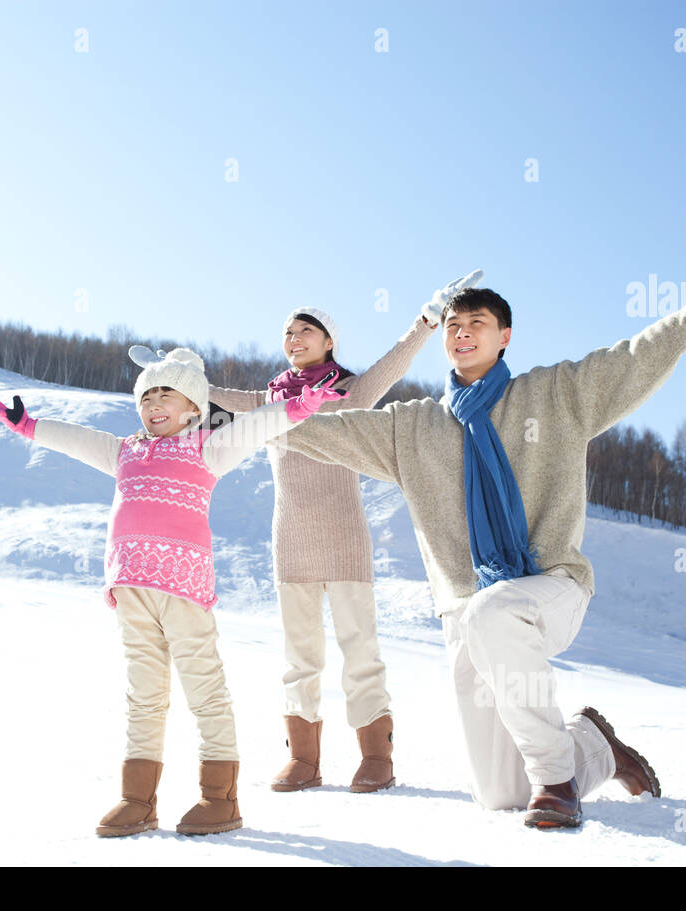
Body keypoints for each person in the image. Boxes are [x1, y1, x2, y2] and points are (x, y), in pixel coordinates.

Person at [272, 228, 686, 827]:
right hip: (463, 610)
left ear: (504, 337)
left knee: (496, 613)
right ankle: (595, 747)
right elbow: (317, 430)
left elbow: (642, 354)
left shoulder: (556, 394)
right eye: (452, 324)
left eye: (476, 321)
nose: (461, 332)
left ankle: (556, 783)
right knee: (500, 792)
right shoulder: (411, 427)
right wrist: (214, 418)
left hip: (549, 588)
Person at [0, 346, 343, 836]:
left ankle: (220, 798)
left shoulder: (206, 447)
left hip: (183, 588)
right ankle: (138, 799)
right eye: (147, 394)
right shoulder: (124, 451)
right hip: (131, 588)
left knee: (204, 692)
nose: (154, 402)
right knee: (143, 696)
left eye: (166, 392)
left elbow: (256, 427)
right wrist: (27, 425)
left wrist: (299, 405)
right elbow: (78, 439)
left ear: (193, 407)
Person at [206, 271, 483, 793]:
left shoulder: (349, 393)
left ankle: (376, 755)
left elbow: (392, 366)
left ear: (329, 341)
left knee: (359, 649)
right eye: (288, 332)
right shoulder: (270, 401)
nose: (294, 339)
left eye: (305, 330)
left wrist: (425, 322)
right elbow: (217, 398)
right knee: (299, 655)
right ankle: (304, 759)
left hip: (345, 539)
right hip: (291, 541)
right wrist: (177, 378)